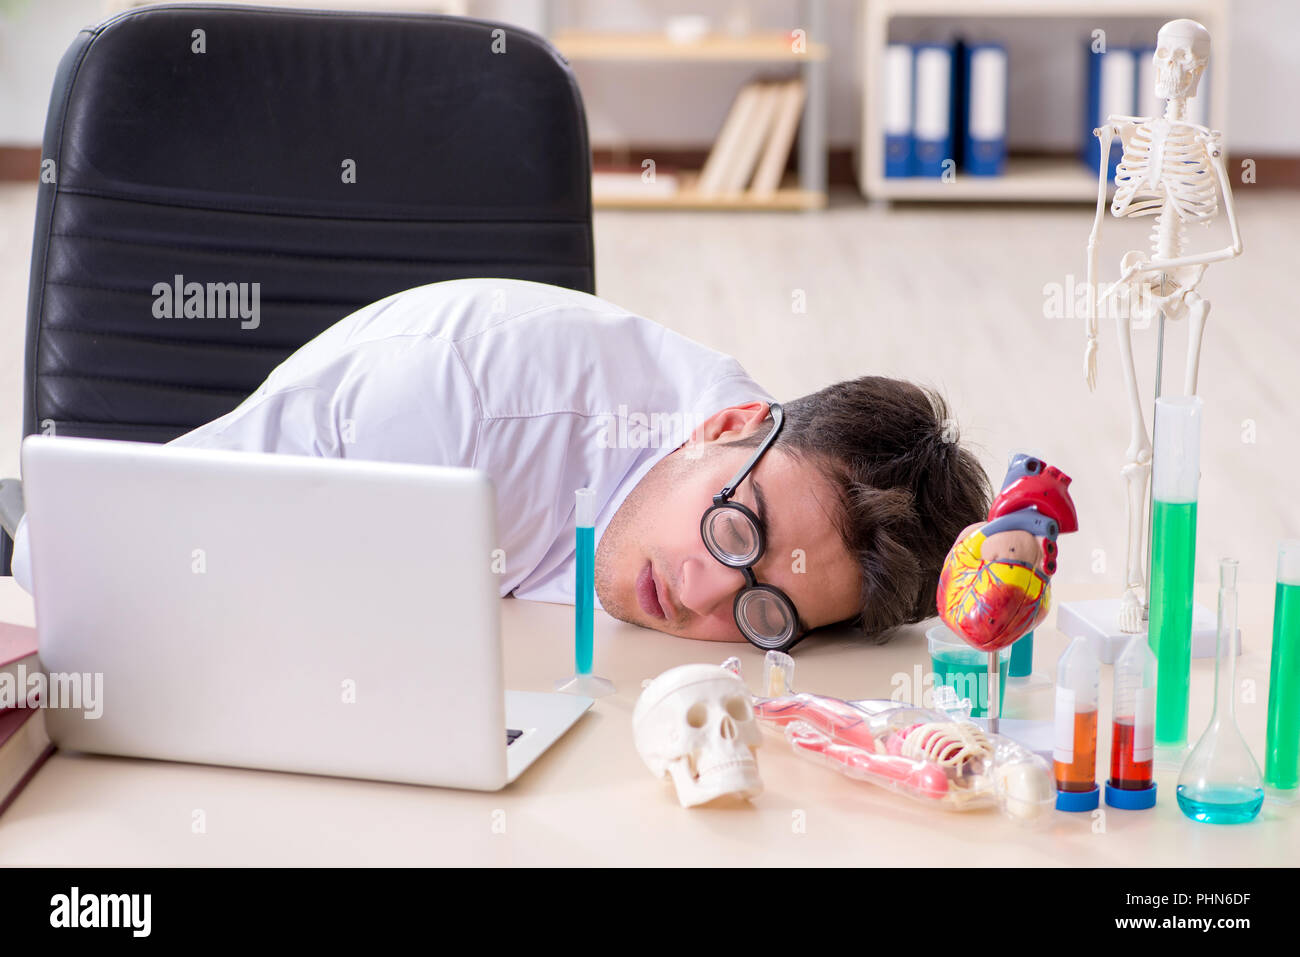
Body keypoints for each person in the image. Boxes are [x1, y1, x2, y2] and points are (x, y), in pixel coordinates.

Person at [11, 278, 991, 649]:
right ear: (722, 425)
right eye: (735, 532)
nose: (694, 595)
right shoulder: (454, 401)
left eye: (760, 611)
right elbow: (102, 567)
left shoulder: (778, 527)